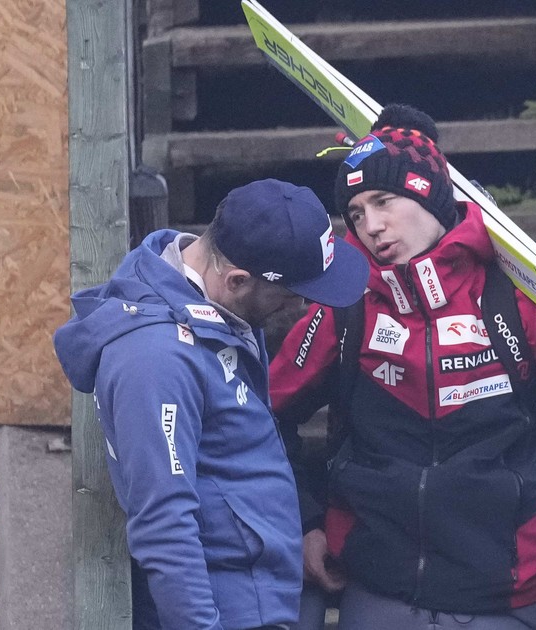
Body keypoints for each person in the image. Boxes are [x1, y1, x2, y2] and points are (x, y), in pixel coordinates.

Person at [269, 105, 536, 629]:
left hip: (512, 597)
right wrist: (305, 519)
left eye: (384, 201)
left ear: (430, 194)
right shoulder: (345, 305)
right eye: (357, 213)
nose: (372, 226)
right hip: (384, 592)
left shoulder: (519, 296)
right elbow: (264, 414)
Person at [53, 179, 370, 630]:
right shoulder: (156, 359)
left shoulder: (219, 310)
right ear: (237, 279)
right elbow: (164, 525)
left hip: (261, 595)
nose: (299, 305)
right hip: (225, 611)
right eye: (291, 293)